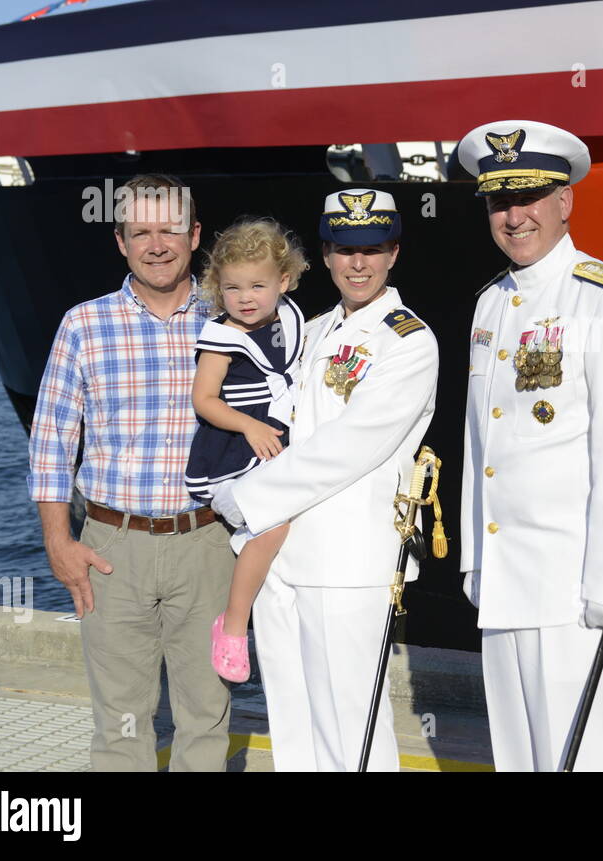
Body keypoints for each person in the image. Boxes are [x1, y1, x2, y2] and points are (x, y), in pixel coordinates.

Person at [456, 119, 603, 771]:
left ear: (564, 200)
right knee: (518, 756)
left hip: (576, 585)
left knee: (584, 758)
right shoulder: (491, 304)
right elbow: (481, 440)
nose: (514, 216)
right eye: (499, 200)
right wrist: (475, 558)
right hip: (506, 578)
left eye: (528, 197)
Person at [208, 188, 438, 772]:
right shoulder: (310, 330)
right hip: (284, 561)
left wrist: (245, 499)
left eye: (372, 248)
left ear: (394, 253)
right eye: (344, 249)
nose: (357, 264)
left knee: (351, 729)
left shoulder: (409, 342)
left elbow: (348, 447)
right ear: (327, 254)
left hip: (346, 563)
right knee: (295, 726)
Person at [29, 173, 235, 772]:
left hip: (209, 544)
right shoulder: (83, 326)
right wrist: (57, 541)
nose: (157, 244)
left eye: (170, 229)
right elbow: (51, 445)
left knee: (207, 719)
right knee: (120, 728)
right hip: (111, 550)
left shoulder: (232, 320)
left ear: (194, 234)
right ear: (120, 240)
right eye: (140, 231)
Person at [183, 218, 309, 682]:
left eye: (258, 285)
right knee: (271, 526)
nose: (246, 298)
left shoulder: (294, 319)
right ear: (218, 289)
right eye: (233, 288)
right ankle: (234, 624)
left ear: (285, 281)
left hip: (283, 441)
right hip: (235, 451)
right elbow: (204, 400)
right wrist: (251, 426)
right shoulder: (221, 340)